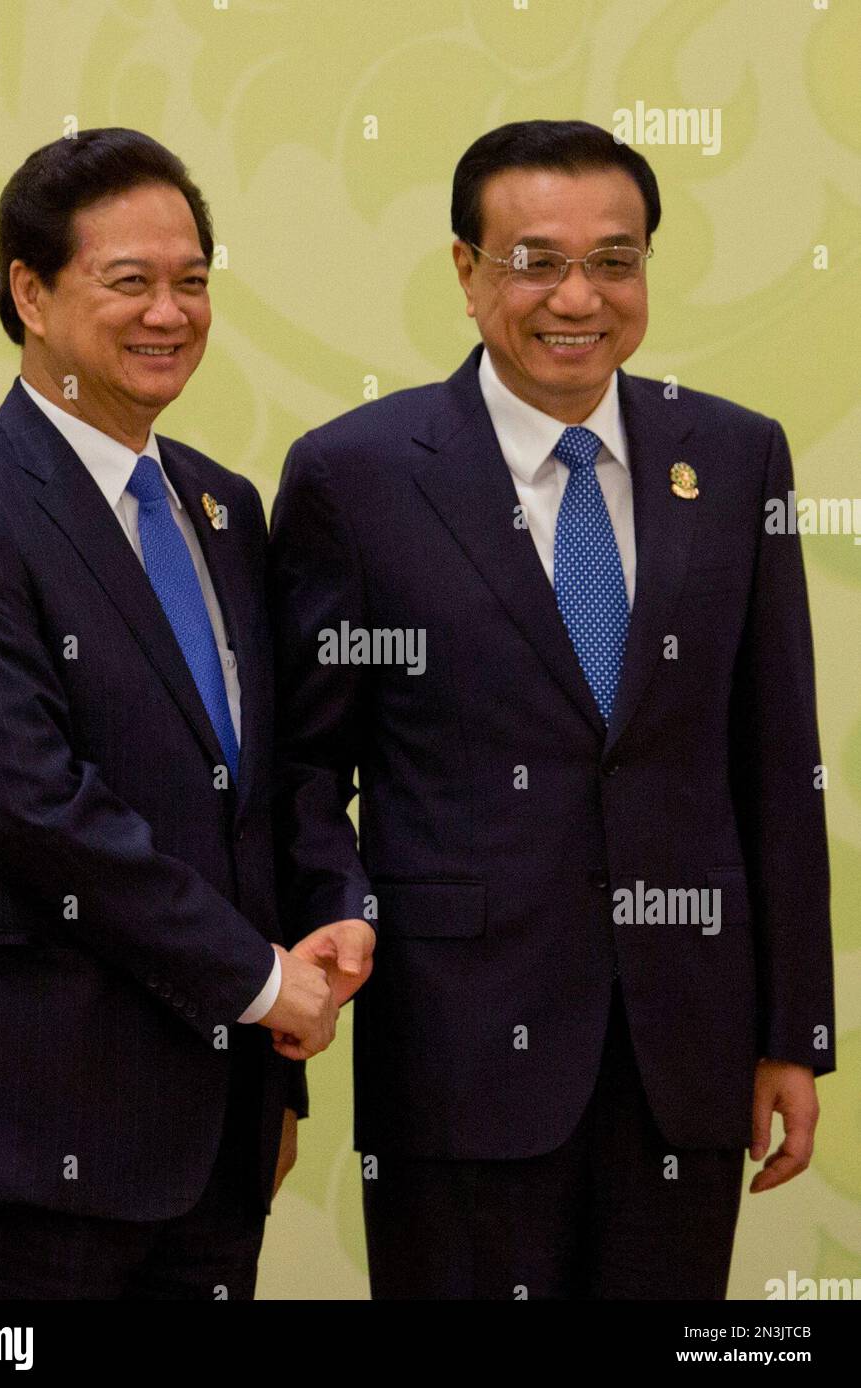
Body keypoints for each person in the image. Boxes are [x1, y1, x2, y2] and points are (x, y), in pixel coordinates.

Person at [270, 119, 835, 1300]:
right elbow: (303, 768)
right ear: (467, 271)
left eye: (613, 261)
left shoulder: (734, 457)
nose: (578, 297)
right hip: (457, 1044)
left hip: (687, 1046)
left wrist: (794, 1031)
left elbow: (776, 758)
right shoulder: (357, 475)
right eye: (534, 262)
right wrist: (335, 914)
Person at [0, 127, 336, 1300]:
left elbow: (255, 791)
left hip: (214, 1134)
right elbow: (36, 811)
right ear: (30, 294)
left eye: (191, 281)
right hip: (21, 1139)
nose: (168, 314)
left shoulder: (222, 509)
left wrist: (294, 1013)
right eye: (129, 281)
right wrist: (255, 979)